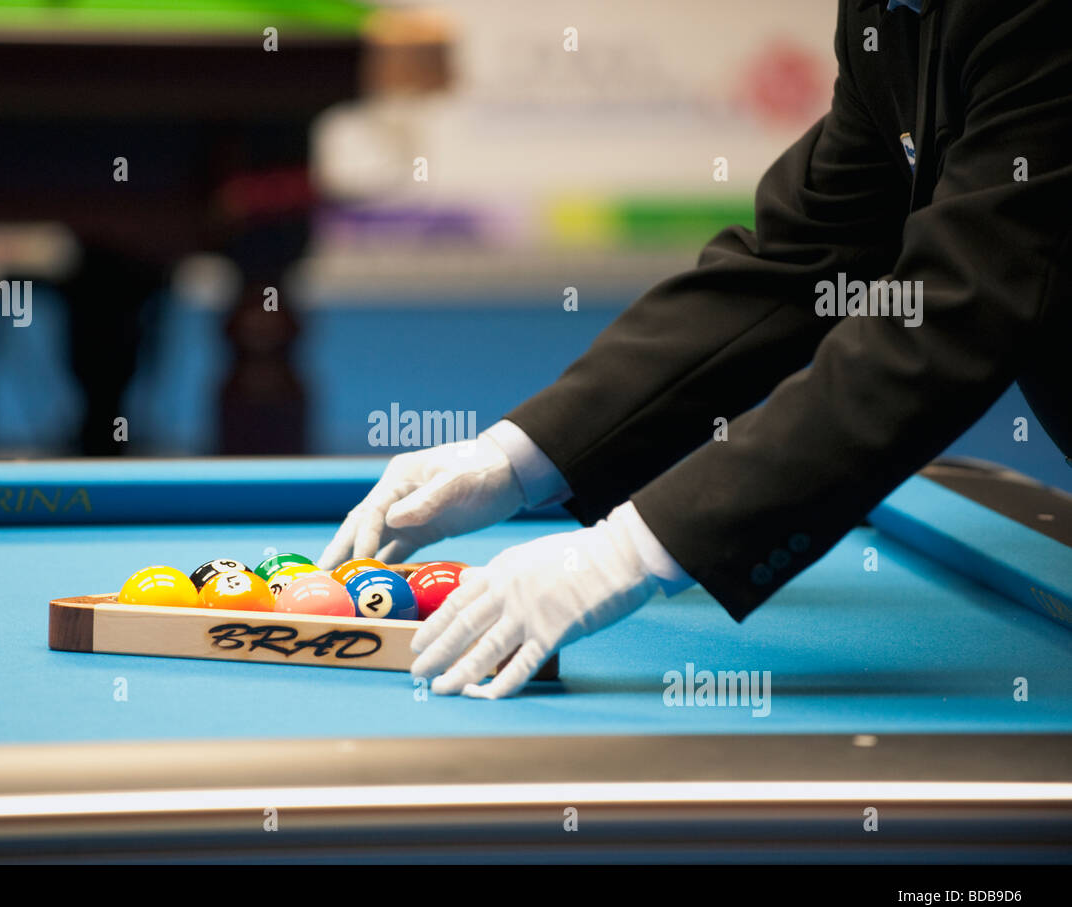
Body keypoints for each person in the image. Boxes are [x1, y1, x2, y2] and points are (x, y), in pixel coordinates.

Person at [319, 0, 1072, 699]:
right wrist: (516, 457)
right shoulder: (887, 15)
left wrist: (629, 554)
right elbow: (797, 260)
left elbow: (948, 315)